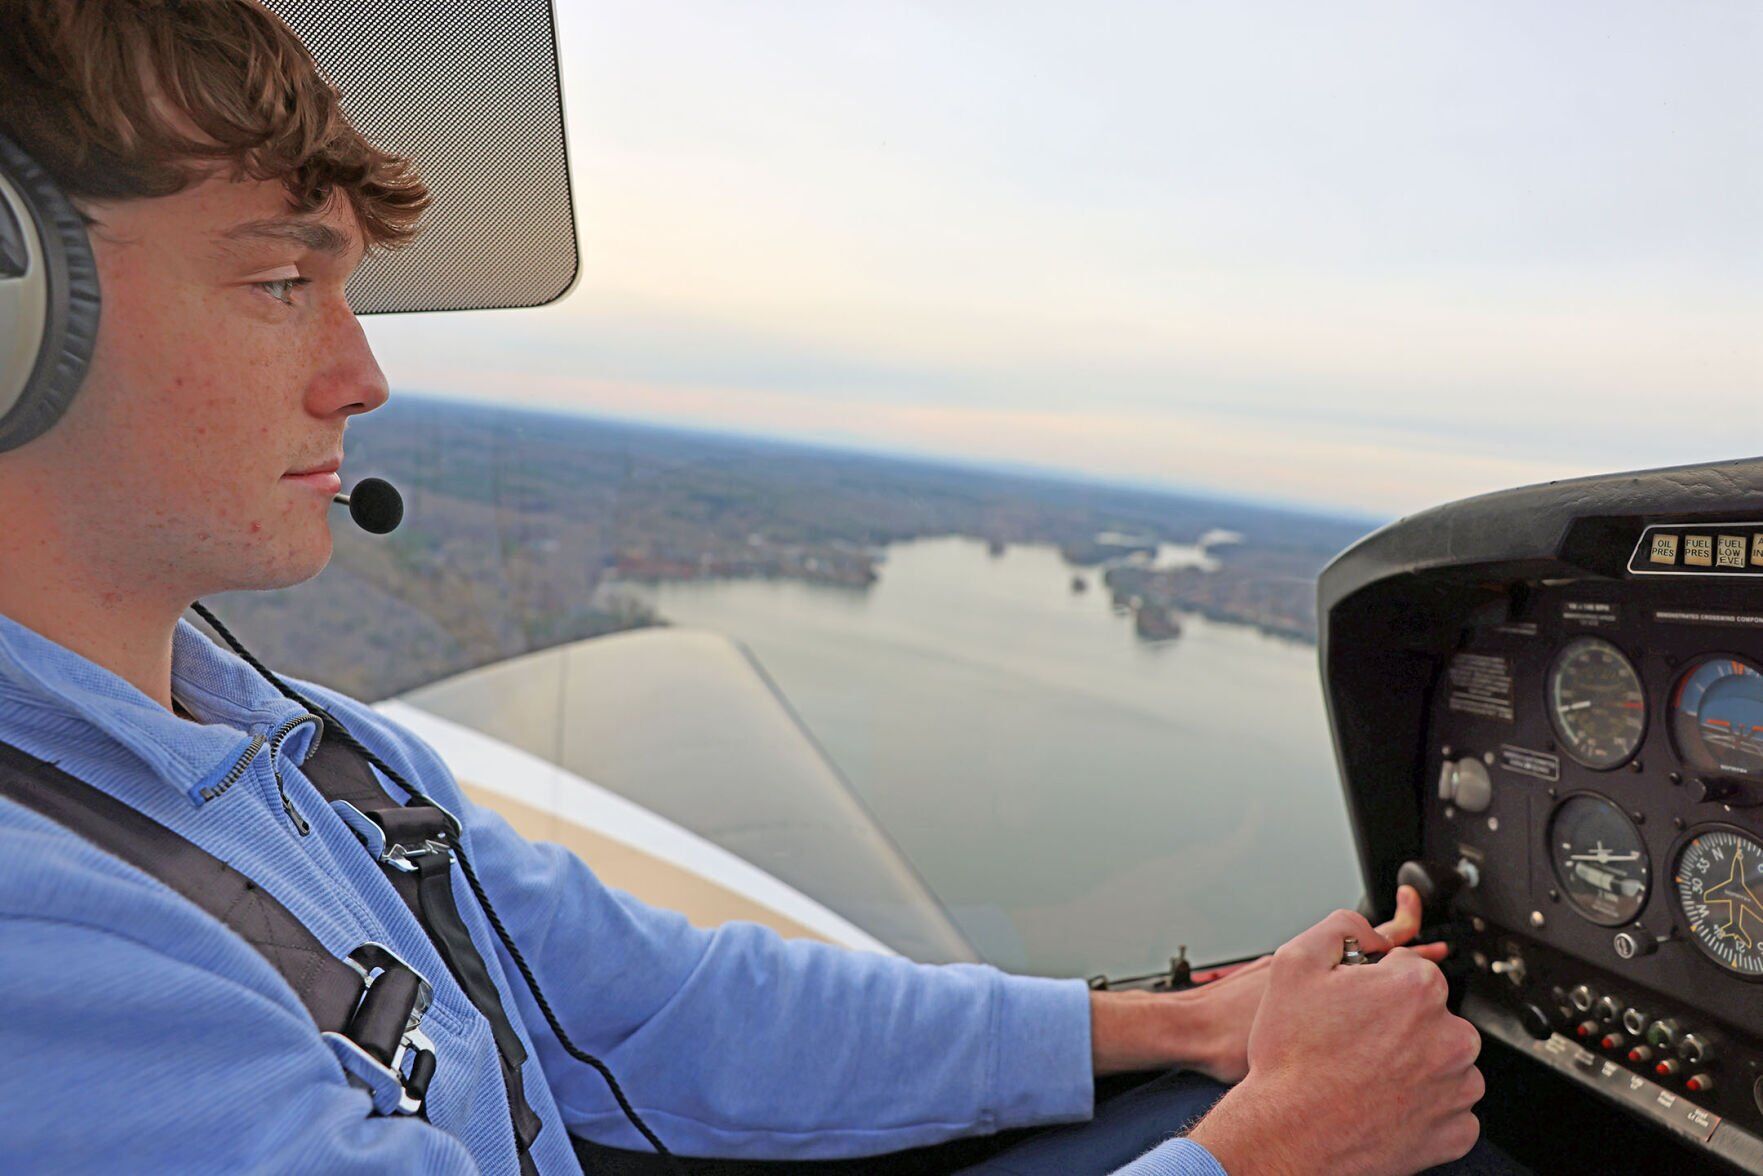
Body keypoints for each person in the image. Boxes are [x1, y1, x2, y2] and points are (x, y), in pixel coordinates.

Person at [0, 3, 1506, 1173]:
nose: (361, 375)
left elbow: (663, 1011)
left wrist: (1182, 1024)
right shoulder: (45, 947)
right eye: (282, 283)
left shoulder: (306, 753)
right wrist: (1275, 1152)